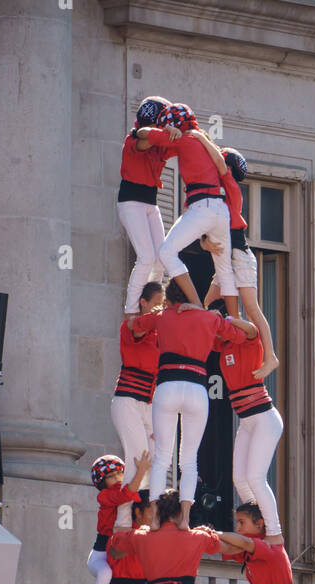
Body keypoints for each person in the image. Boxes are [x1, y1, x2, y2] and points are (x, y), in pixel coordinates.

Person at [137, 281, 255, 525]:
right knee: (189, 460)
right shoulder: (207, 319)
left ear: (168, 299)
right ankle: (185, 520)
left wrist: (157, 314)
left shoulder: (162, 315)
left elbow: (134, 327)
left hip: (167, 385)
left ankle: (156, 520)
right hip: (196, 388)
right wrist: (218, 318)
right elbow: (245, 335)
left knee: (161, 458)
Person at [138, 103, 236, 309]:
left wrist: (165, 131)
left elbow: (144, 133)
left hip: (202, 206)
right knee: (224, 270)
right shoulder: (202, 141)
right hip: (220, 208)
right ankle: (235, 318)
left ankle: (196, 304)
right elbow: (221, 168)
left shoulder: (182, 139)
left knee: (166, 251)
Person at [209, 298, 282, 539]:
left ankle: (274, 533)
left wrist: (227, 320)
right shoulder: (222, 346)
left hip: (263, 417)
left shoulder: (247, 339)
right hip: (247, 420)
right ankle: (256, 526)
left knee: (255, 477)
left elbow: (252, 329)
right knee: (239, 478)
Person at [203, 148, 278, 377]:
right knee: (206, 304)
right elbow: (206, 234)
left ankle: (270, 357)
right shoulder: (217, 193)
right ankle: (227, 341)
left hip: (239, 255)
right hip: (225, 259)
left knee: (252, 308)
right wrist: (206, 244)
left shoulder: (231, 189)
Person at [117, 96, 174, 317]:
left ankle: (152, 308)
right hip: (131, 202)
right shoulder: (133, 139)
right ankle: (132, 310)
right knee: (147, 257)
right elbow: (145, 142)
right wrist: (165, 131)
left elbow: (176, 146)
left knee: (161, 258)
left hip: (150, 203)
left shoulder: (158, 144)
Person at [111, 282, 163, 523]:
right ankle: (122, 521)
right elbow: (142, 328)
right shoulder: (130, 326)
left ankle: (151, 519)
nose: (160, 310)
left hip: (148, 404)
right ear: (143, 302)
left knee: (156, 458)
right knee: (138, 458)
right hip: (128, 400)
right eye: (157, 304)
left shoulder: (159, 333)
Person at [88, 452, 149, 584]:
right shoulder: (105, 497)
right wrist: (142, 471)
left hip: (121, 550)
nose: (115, 479)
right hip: (101, 553)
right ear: (102, 483)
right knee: (105, 574)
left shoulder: (132, 495)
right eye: (109, 477)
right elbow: (126, 494)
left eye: (119, 474)